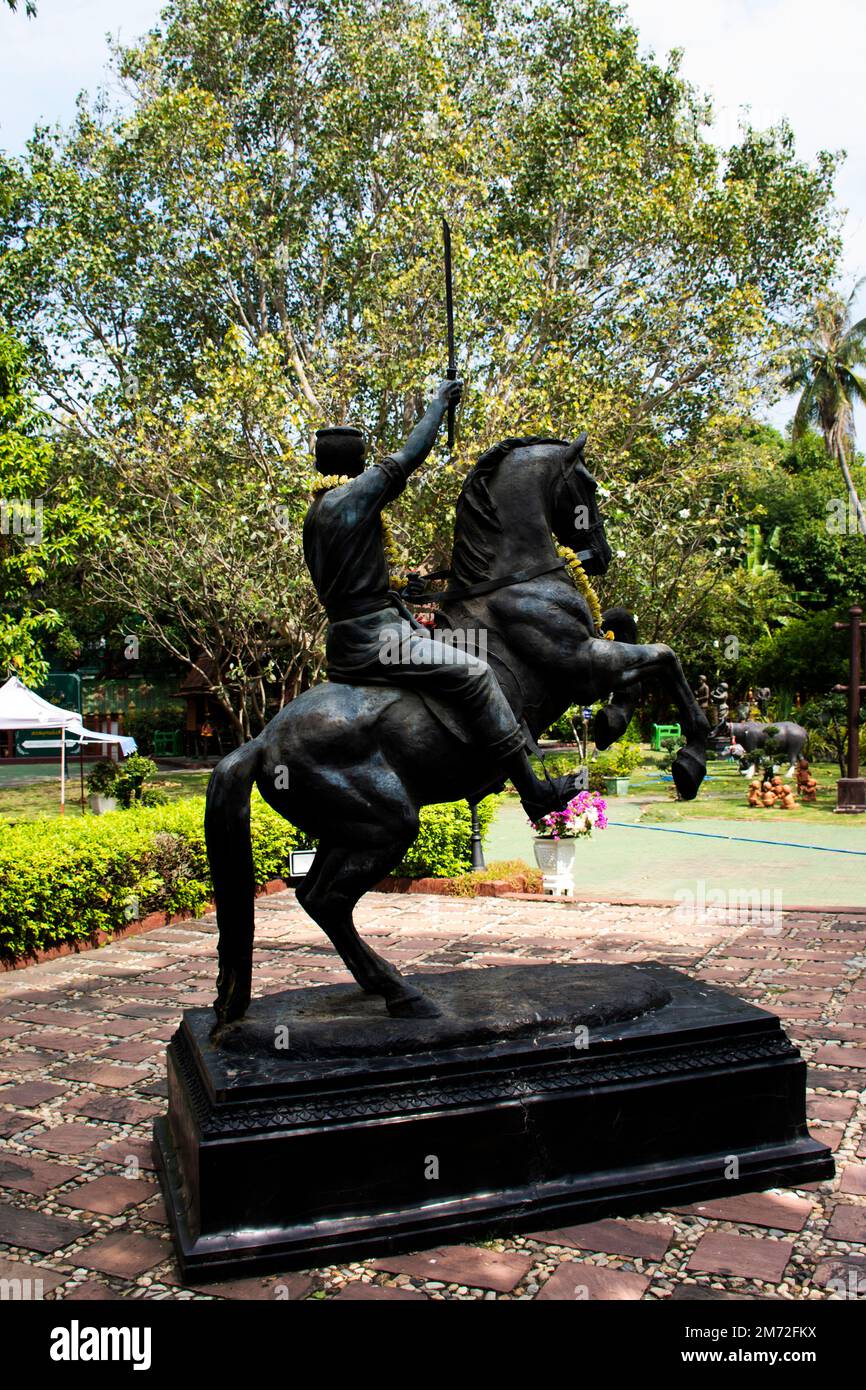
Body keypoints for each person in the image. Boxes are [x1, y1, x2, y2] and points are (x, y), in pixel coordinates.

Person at [303, 379, 582, 820]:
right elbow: (410, 456)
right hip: (376, 640)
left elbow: (350, 585)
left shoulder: (317, 512)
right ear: (355, 461)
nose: (371, 460)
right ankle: (533, 792)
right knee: (475, 672)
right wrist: (438, 404)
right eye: (365, 454)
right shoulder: (351, 498)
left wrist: (399, 591)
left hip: (352, 634)